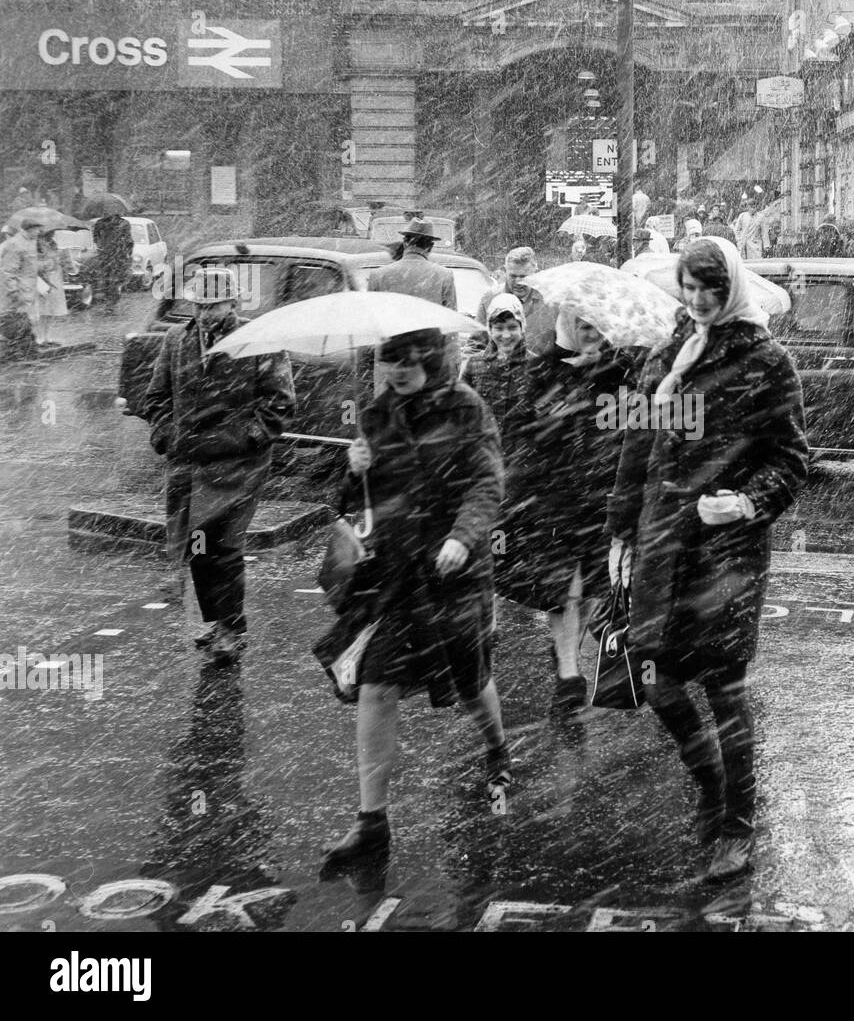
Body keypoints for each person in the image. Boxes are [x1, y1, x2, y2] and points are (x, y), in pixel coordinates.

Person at [605, 236, 809, 883]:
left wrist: (747, 503)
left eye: (708, 289)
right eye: (687, 287)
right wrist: (619, 531)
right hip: (663, 542)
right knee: (661, 684)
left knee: (723, 689)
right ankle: (711, 785)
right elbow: (637, 448)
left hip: (725, 551)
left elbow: (791, 457)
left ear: (731, 288)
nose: (696, 301)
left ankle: (737, 826)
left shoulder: (766, 360)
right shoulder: (668, 352)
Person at [321, 327, 511, 868]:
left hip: (456, 570)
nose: (395, 371)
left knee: (470, 680)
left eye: (406, 360)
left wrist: (461, 537)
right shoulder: (377, 415)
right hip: (396, 570)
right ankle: (370, 824)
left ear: (429, 357)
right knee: (376, 685)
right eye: (387, 361)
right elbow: (353, 502)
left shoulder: (468, 409)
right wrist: (353, 470)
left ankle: (496, 746)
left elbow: (486, 484)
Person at [495, 310, 645, 721]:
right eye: (583, 327)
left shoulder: (623, 369)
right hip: (552, 496)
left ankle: (568, 654)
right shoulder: (544, 370)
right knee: (566, 588)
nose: (592, 334)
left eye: (598, 326)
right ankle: (568, 677)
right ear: (569, 329)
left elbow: (638, 425)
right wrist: (554, 420)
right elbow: (519, 429)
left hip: (603, 495)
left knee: (594, 587)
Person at [143, 268, 296, 662]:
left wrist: (244, 438)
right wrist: (166, 435)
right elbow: (157, 396)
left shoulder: (258, 339)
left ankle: (232, 628)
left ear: (233, 302)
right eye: (199, 304)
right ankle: (217, 622)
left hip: (239, 466)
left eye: (213, 305)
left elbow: (279, 404)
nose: (205, 313)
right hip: (189, 463)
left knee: (225, 546)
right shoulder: (176, 340)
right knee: (200, 544)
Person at [368, 219, 460, 373]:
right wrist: (453, 367)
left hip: (390, 367)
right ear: (430, 247)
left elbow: (370, 328)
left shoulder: (378, 276)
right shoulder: (444, 276)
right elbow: (451, 331)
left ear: (405, 243)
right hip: (427, 367)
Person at [462, 292, 535, 453]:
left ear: (523, 327)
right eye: (499, 328)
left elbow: (546, 420)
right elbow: (461, 414)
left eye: (512, 327)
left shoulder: (537, 367)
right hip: (483, 458)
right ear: (489, 329)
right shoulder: (474, 365)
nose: (506, 335)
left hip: (522, 460)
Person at [469, 246, 556, 357]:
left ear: (535, 274)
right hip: (498, 371)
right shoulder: (490, 299)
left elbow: (564, 347)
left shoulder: (551, 302)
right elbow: (474, 346)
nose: (518, 282)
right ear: (505, 272)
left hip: (540, 371)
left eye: (524, 277)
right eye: (513, 276)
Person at [0, 219, 41, 360]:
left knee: (26, 321)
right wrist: (14, 292)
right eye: (36, 228)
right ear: (28, 229)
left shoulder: (29, 242)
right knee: (15, 320)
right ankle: (19, 352)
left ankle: (24, 351)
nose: (39, 232)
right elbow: (8, 272)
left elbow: (29, 267)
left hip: (28, 291)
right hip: (18, 292)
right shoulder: (15, 244)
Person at [34, 229, 72, 345]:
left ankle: (47, 336)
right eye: (52, 232)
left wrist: (62, 259)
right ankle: (40, 337)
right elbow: (34, 264)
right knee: (42, 310)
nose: (54, 234)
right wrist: (48, 263)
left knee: (50, 310)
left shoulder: (53, 243)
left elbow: (56, 259)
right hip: (43, 280)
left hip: (54, 279)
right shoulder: (37, 245)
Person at [92, 212, 133, 316]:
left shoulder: (100, 223)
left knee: (108, 281)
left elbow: (95, 239)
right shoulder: (124, 223)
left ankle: (109, 304)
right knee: (115, 282)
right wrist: (127, 252)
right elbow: (129, 241)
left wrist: (102, 247)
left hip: (107, 257)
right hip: (117, 257)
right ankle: (110, 305)